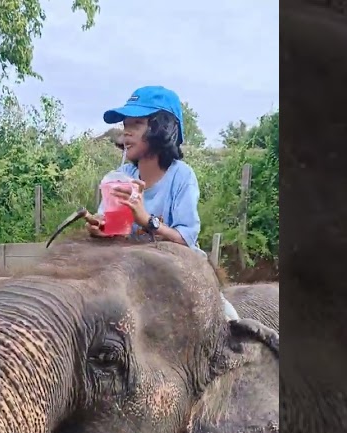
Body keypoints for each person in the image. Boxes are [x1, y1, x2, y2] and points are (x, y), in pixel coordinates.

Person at [87, 85, 239, 320]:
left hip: (181, 268)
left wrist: (145, 219)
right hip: (134, 268)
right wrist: (100, 228)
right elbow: (109, 223)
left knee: (227, 317)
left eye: (136, 125)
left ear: (162, 129)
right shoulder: (122, 175)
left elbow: (186, 238)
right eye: (125, 125)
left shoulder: (182, 176)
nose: (126, 132)